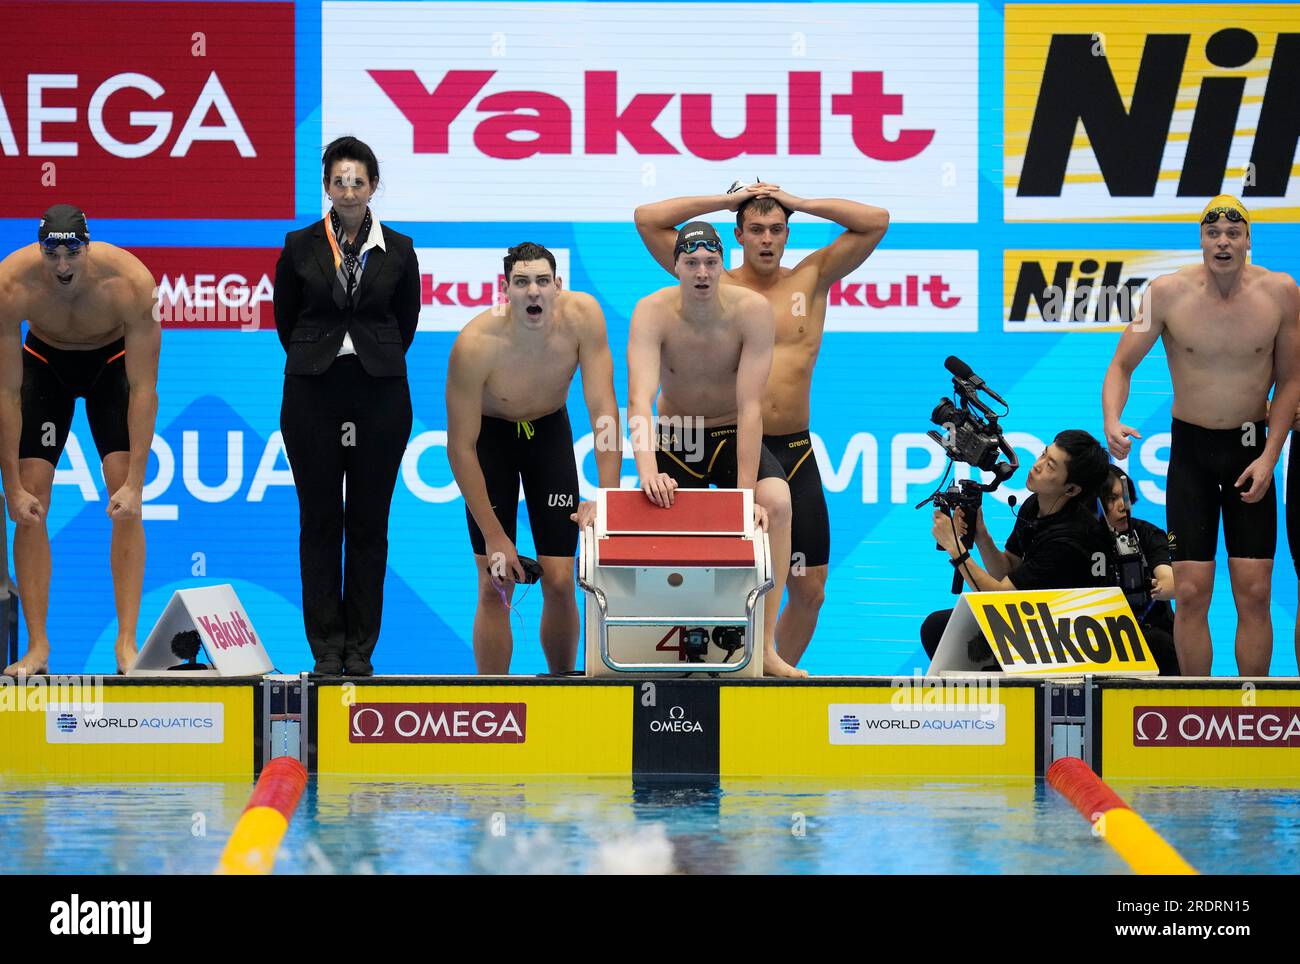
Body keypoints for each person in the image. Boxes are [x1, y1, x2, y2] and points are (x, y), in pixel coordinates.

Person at [634, 183, 889, 668]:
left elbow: (875, 219)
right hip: (720, 436)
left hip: (789, 444)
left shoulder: (811, 277)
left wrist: (804, 201)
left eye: (776, 229)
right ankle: (697, 665)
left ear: (788, 234)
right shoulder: (712, 277)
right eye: (755, 229)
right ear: (738, 234)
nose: (767, 239)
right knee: (703, 573)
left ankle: (764, 674)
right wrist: (723, 200)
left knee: (810, 588)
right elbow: (648, 218)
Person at [1103, 195, 1300, 676]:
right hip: (1190, 452)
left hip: (1252, 449)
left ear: (1249, 239)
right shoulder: (1166, 293)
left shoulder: (1281, 292)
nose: (1224, 242)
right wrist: (1112, 419)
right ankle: (1195, 706)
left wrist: (1271, 456)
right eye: (1214, 234)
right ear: (1201, 240)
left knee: (1254, 591)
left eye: (1234, 233)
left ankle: (1252, 711)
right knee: (1190, 591)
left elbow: (1292, 379)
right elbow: (1121, 364)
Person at [627, 222, 802, 678]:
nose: (701, 272)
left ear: (722, 264)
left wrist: (744, 498)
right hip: (675, 433)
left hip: (728, 431)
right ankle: (660, 647)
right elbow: (640, 399)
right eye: (691, 263)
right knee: (653, 513)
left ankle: (763, 645)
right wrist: (647, 470)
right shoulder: (652, 311)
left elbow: (749, 407)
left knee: (776, 503)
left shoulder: (752, 310)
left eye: (710, 262)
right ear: (676, 266)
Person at [273, 136, 421, 677]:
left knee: (369, 523)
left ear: (373, 185)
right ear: (327, 187)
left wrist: (368, 359)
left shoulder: (400, 249)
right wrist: (323, 356)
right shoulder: (298, 244)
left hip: (379, 391)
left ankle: (360, 648)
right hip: (313, 390)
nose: (350, 189)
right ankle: (326, 649)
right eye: (340, 181)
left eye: (359, 180)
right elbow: (286, 319)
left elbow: (404, 322)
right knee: (319, 521)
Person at [445, 242, 620, 674]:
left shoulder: (584, 318)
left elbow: (603, 409)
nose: (533, 292)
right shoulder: (475, 344)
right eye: (522, 282)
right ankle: (492, 702)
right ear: (505, 290)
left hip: (547, 434)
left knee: (561, 581)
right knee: (494, 582)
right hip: (491, 442)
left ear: (558, 286)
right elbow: (460, 447)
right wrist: (494, 535)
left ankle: (561, 686)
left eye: (543, 281)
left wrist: (610, 497)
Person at [0, 205, 160, 676]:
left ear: (88, 247)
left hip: (111, 364)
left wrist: (135, 482)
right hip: (44, 362)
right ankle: (38, 648)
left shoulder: (132, 281)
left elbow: (146, 390)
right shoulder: (11, 284)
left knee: (123, 494)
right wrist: (11, 484)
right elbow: (6, 392)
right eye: (53, 253)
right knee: (31, 500)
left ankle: (127, 644)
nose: (63, 265)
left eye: (73, 252)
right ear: (40, 249)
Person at [922, 430, 1110, 666]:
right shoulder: (1035, 504)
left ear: (1071, 489)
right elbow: (1008, 570)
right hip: (1038, 620)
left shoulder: (1069, 540)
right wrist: (981, 534)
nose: (1038, 465)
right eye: (1043, 454)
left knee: (946, 630)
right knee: (938, 626)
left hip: (1072, 638)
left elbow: (1001, 599)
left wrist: (955, 548)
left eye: (1050, 466)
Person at [1100, 465, 1181, 675]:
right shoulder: (1084, 537)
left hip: (1151, 632)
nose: (1122, 507)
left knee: (1158, 642)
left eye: (1126, 498)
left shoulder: (1148, 534)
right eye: (1112, 498)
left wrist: (1161, 586)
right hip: (1097, 635)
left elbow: (1170, 581)